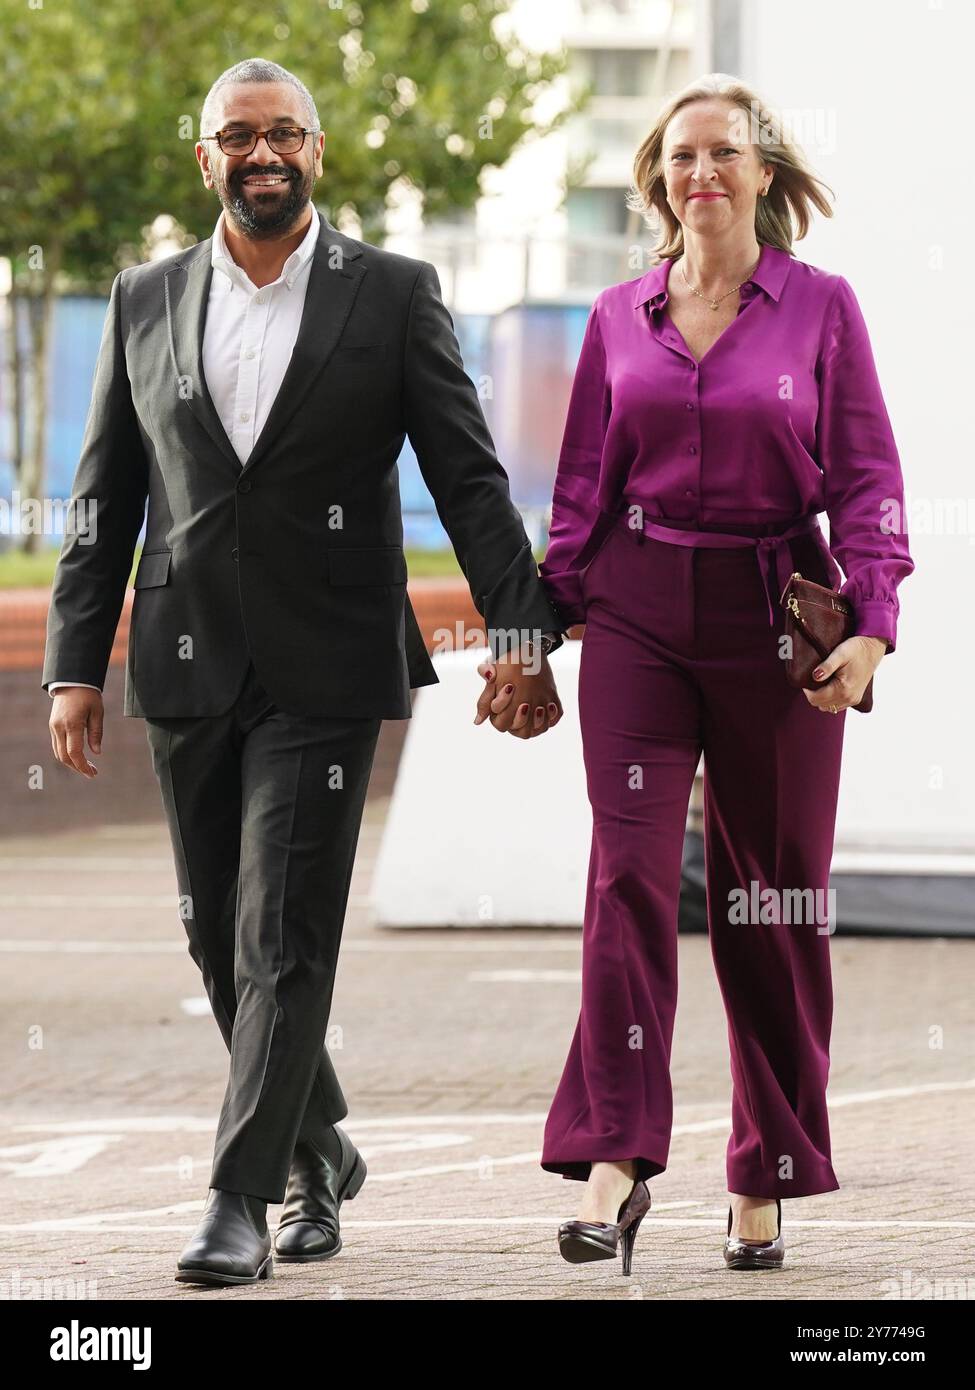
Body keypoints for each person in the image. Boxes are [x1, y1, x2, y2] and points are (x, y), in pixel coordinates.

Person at [43, 57, 563, 1287]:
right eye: (238, 135)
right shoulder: (145, 296)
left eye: (284, 134)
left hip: (327, 663)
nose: (261, 153)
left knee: (283, 928)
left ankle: (243, 1194)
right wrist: (75, 663)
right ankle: (321, 1147)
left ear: (317, 152)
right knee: (215, 938)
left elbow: (468, 474)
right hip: (182, 658)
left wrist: (520, 629)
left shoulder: (390, 293)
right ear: (205, 154)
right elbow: (104, 496)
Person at [479, 72, 915, 1274]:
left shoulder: (821, 309)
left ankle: (766, 1170)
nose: (700, 174)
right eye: (679, 157)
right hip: (637, 616)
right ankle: (616, 1160)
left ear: (765, 172)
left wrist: (870, 622)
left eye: (723, 154)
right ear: (658, 180)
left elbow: (868, 482)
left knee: (766, 899)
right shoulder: (619, 316)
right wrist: (532, 632)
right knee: (624, 877)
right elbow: (581, 491)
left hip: (776, 623)